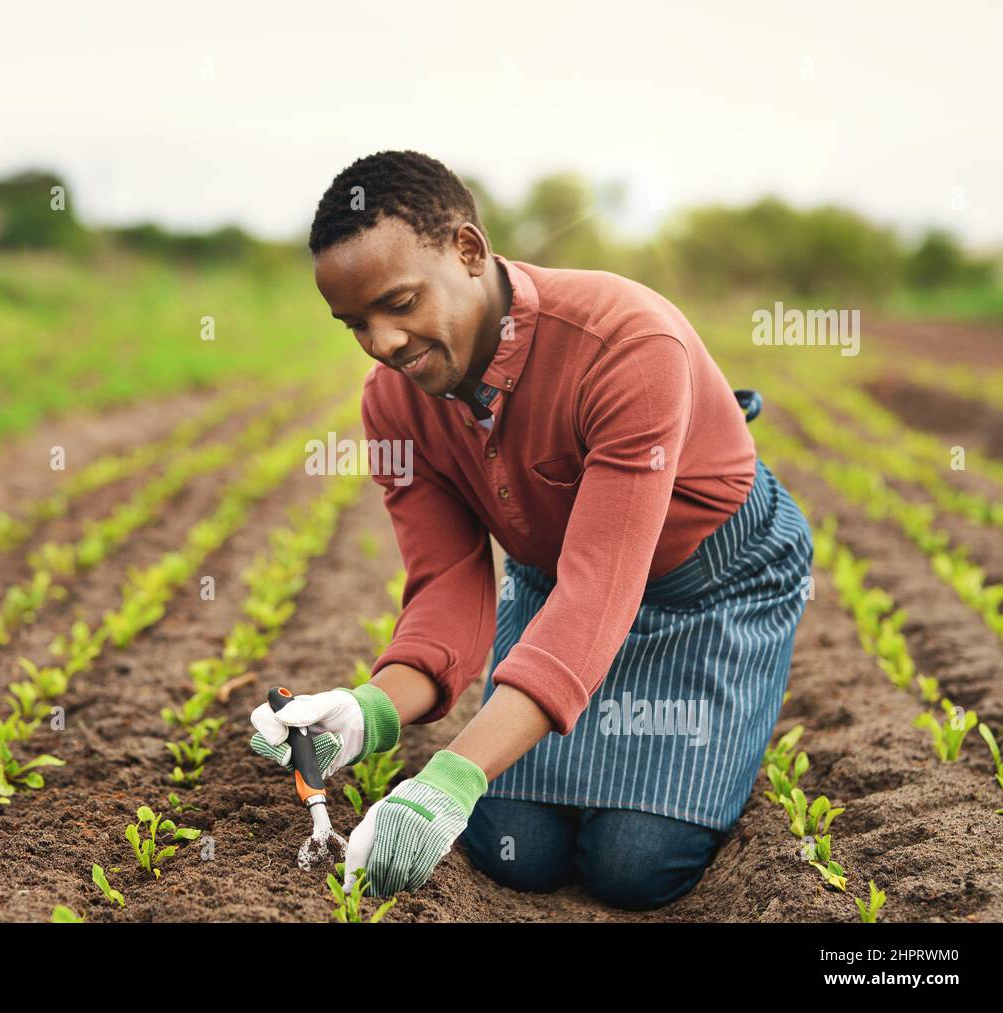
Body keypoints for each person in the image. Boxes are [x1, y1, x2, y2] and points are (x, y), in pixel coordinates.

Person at [249, 150, 812, 910]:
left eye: (401, 302)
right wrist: (366, 711)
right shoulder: (394, 403)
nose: (382, 343)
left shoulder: (626, 343)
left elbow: (597, 593)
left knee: (632, 864)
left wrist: (449, 775)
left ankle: (716, 742)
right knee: (517, 846)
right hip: (562, 591)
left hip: (706, 590)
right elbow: (449, 589)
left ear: (470, 251)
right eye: (356, 324)